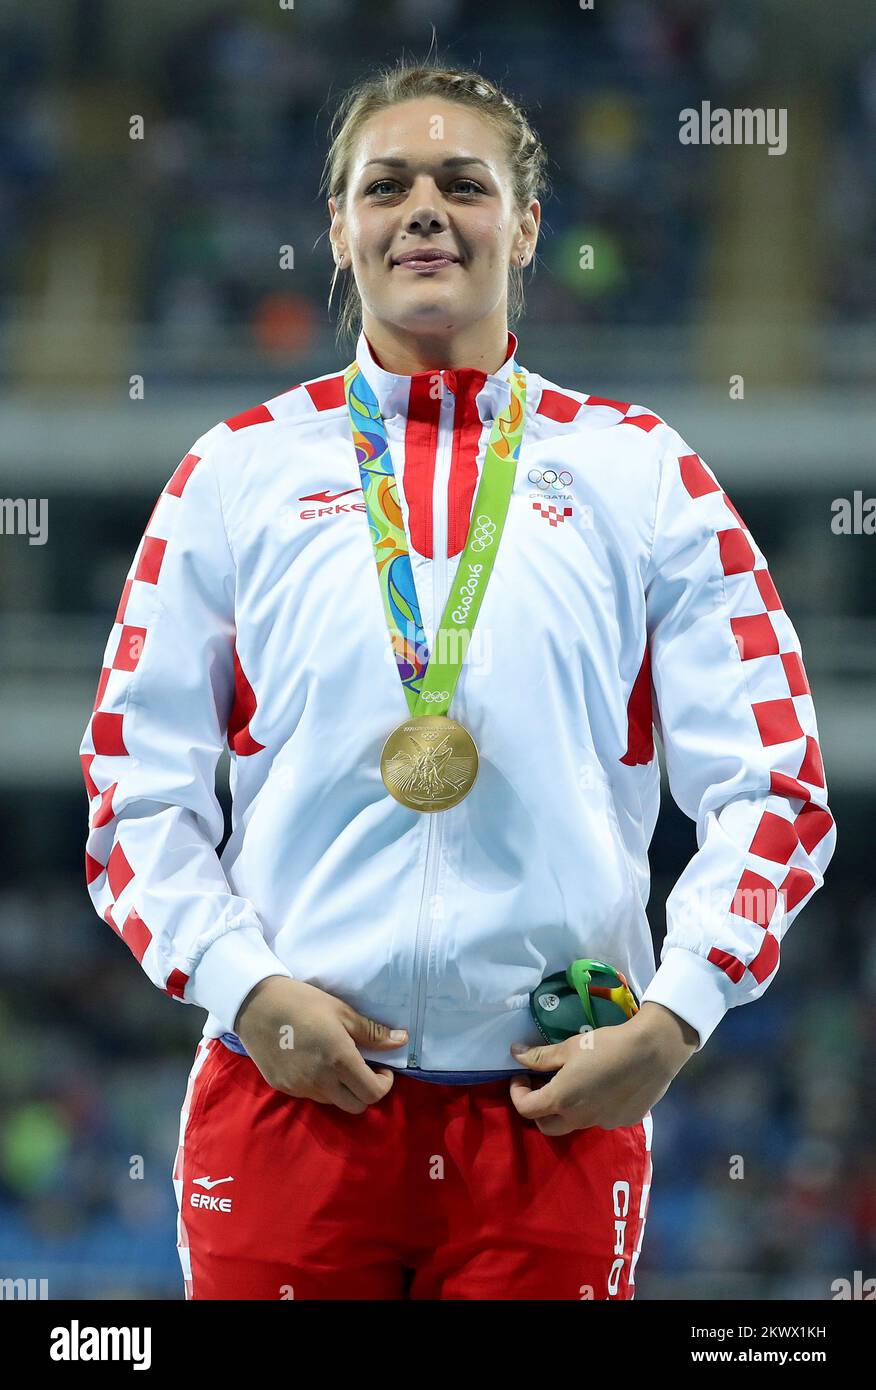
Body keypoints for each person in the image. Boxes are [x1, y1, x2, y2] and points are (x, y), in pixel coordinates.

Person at [78, 60, 836, 1301]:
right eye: (387, 184)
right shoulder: (233, 473)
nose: (423, 208)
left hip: (553, 1105)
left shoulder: (645, 476)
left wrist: (676, 1017)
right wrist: (243, 987)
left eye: (462, 183)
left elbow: (778, 787)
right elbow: (129, 794)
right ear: (340, 227)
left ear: (525, 224)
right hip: (286, 1094)